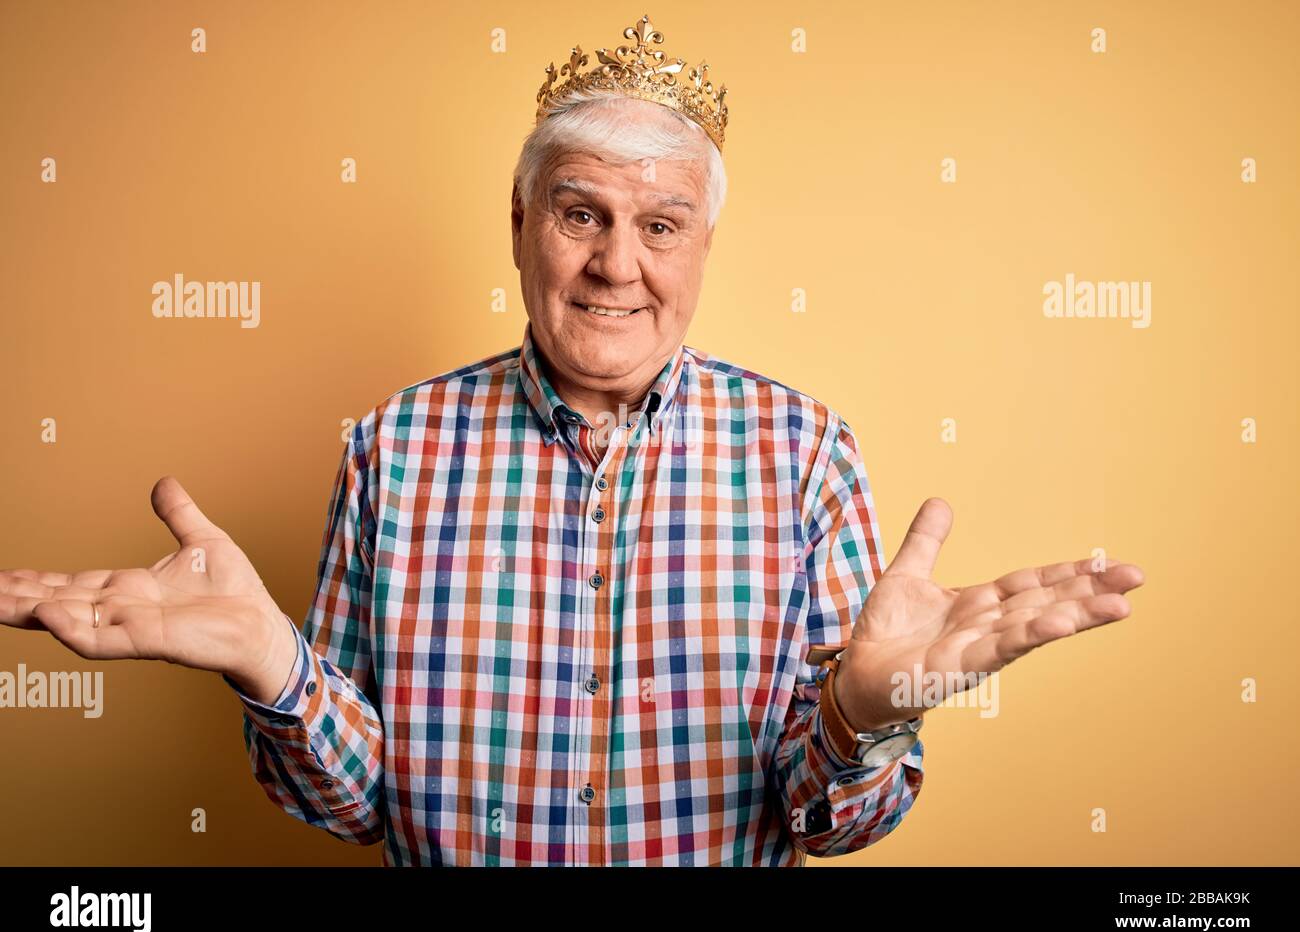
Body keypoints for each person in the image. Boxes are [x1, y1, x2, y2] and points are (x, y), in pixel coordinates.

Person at [0, 14, 1144, 866]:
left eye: (660, 225)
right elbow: (349, 805)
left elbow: (831, 818)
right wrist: (276, 668)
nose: (616, 264)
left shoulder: (804, 451)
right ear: (519, 223)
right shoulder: (394, 446)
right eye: (579, 212)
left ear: (702, 247)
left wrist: (861, 711)